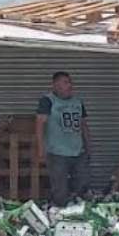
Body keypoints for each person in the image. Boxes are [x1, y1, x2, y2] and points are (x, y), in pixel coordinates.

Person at [36, 70, 92, 206]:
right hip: (57, 152)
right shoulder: (48, 101)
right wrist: (41, 148)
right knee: (60, 187)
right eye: (65, 82)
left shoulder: (78, 102)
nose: (69, 85)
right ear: (55, 85)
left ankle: (79, 211)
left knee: (81, 182)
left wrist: (88, 145)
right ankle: (61, 212)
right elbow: (39, 125)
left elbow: (84, 125)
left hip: (77, 150)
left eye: (70, 82)